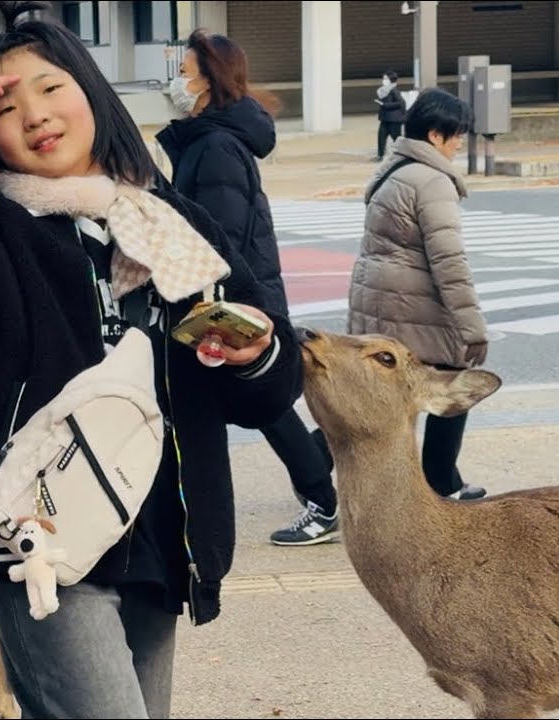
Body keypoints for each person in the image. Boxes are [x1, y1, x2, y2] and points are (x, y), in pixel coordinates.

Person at [0, 3, 303, 716]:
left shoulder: (172, 223)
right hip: (44, 537)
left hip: (160, 531)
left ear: (91, 92)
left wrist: (256, 350)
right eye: (5, 105)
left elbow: (269, 390)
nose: (35, 114)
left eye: (50, 87)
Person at [156, 31, 339, 547]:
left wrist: (205, 295)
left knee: (266, 405)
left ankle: (322, 500)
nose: (178, 82)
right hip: (240, 289)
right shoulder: (210, 137)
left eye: (186, 72)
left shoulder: (215, 145)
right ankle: (321, 473)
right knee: (258, 404)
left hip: (237, 294)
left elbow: (220, 233)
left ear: (210, 81)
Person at [347, 87, 488, 502]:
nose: (460, 142)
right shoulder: (431, 181)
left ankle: (314, 467)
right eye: (455, 134)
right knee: (455, 383)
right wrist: (471, 327)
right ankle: (441, 480)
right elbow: (450, 262)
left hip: (381, 301)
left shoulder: (396, 168)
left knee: (381, 399)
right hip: (411, 307)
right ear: (434, 135)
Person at [375, 70, 407, 161]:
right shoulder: (384, 91)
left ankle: (404, 155)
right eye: (383, 78)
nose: (384, 80)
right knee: (381, 137)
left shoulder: (394, 91)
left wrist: (385, 105)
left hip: (394, 120)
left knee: (397, 139)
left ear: (391, 80)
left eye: (386, 78)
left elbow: (401, 103)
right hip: (385, 119)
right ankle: (380, 155)